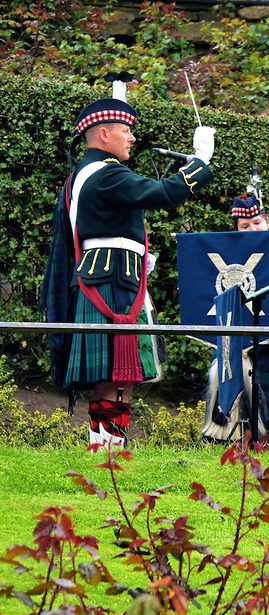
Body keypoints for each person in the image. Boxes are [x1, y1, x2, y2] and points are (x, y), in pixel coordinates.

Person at [42, 84, 215, 447]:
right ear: (104, 134)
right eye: (126, 131)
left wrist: (135, 253)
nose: (132, 138)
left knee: (119, 375)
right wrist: (200, 163)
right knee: (114, 375)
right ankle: (106, 451)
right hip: (112, 282)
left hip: (111, 274)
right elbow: (161, 193)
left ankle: (107, 449)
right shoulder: (105, 174)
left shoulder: (84, 174)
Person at [201, 192, 269, 445]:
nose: (253, 229)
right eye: (245, 226)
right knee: (231, 417)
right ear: (236, 230)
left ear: (268, 223)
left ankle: (263, 453)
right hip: (231, 342)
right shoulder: (226, 257)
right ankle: (233, 450)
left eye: (258, 222)